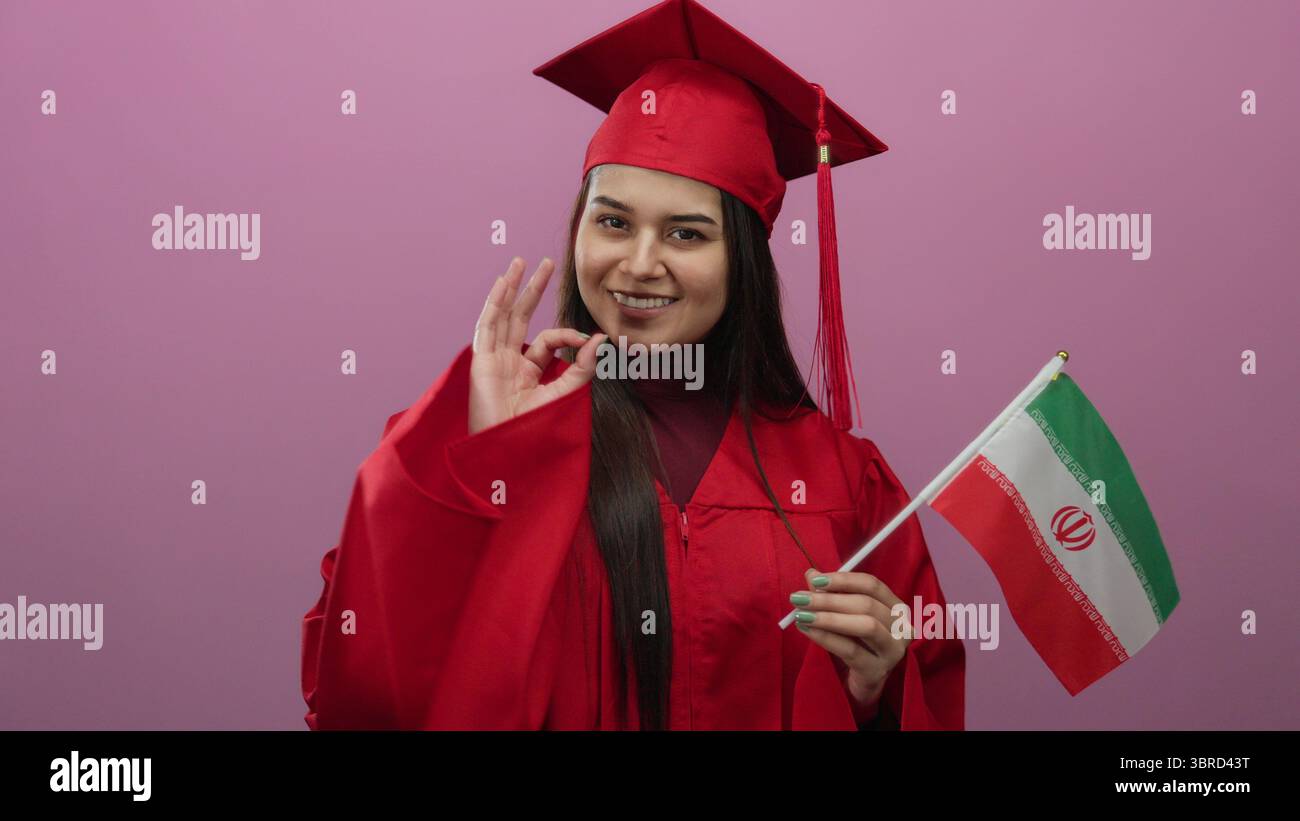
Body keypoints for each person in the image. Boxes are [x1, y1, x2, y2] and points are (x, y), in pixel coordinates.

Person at [300, 0, 964, 730]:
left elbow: (920, 691)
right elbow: (360, 694)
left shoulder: (842, 480)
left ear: (740, 257)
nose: (640, 264)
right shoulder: (488, 438)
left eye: (686, 233)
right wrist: (478, 465)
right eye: (613, 221)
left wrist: (874, 694)